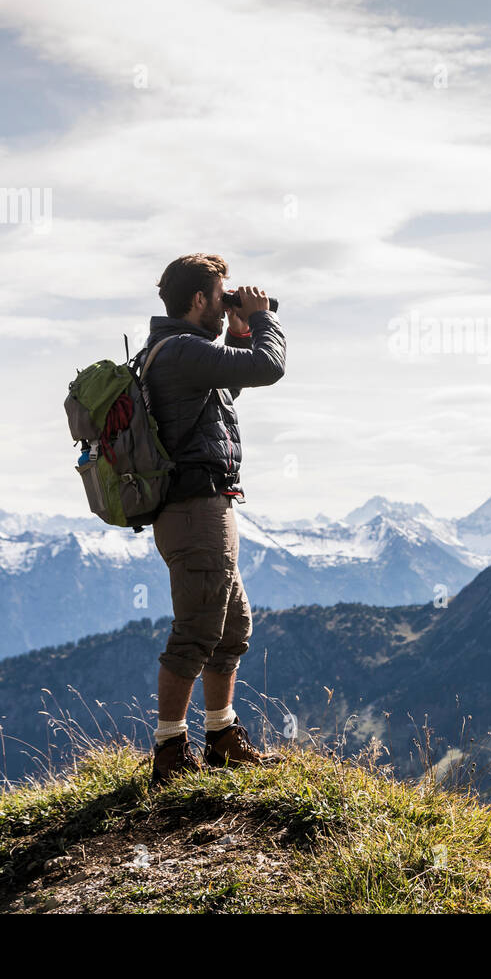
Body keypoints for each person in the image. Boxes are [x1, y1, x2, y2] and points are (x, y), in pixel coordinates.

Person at [138, 253, 286, 786]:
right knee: (198, 630)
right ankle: (170, 751)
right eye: (223, 298)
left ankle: (221, 737)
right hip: (193, 510)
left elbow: (230, 383)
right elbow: (268, 369)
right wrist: (265, 320)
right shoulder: (179, 350)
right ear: (199, 300)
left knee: (230, 628)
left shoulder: (184, 353)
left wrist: (243, 333)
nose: (227, 309)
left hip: (209, 507)